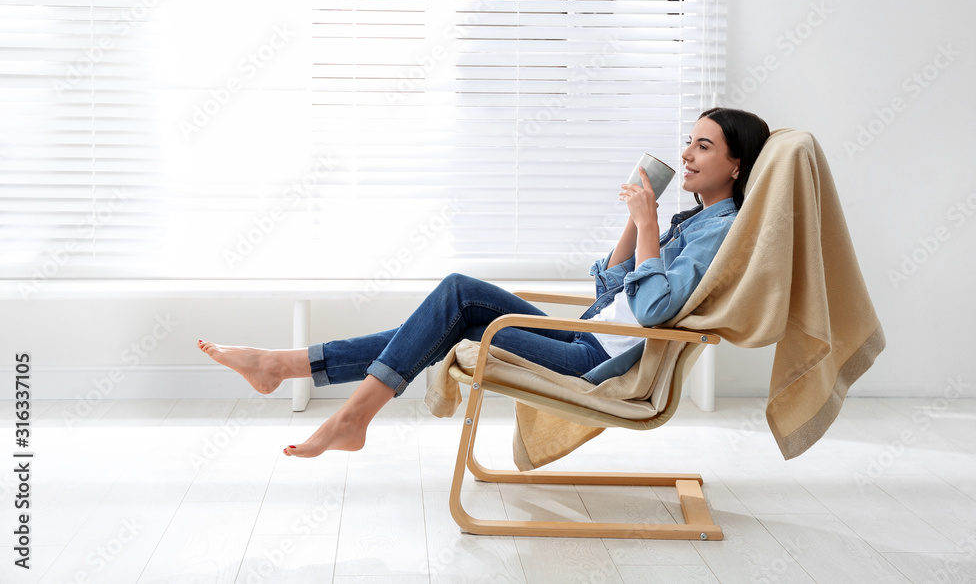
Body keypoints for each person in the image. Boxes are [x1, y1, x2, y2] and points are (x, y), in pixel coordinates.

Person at [197, 107, 770, 458]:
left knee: (454, 307)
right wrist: (635, 218)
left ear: (737, 165)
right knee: (456, 300)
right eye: (689, 141)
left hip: (592, 360)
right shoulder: (693, 220)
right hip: (585, 333)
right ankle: (286, 370)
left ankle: (342, 407)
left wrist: (646, 226)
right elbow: (612, 294)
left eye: (703, 146)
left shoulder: (720, 231)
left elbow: (651, 311)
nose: (686, 154)